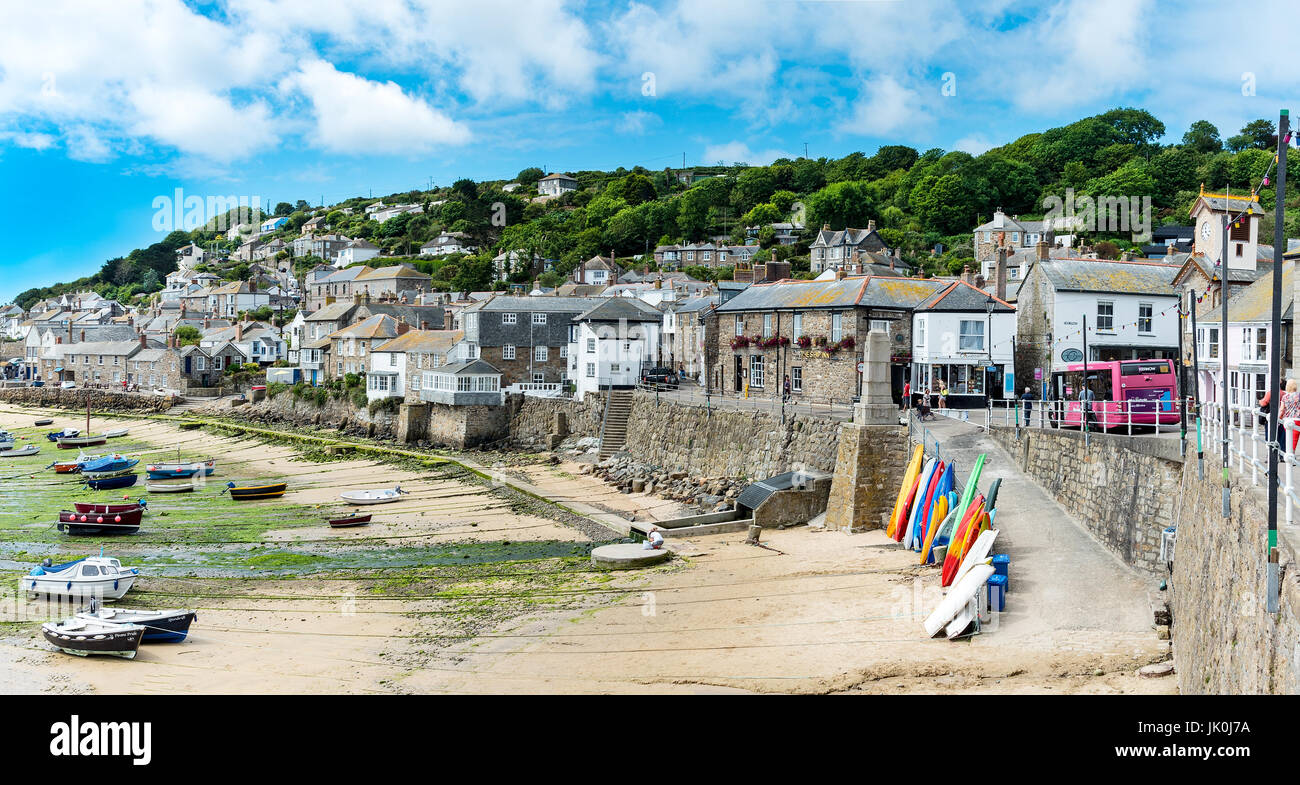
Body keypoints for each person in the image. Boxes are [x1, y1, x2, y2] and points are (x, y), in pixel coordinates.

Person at [1281, 379, 1300, 452]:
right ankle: (1291, 455)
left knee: (1289, 438)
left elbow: (1282, 409)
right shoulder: (1299, 395)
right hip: (1297, 419)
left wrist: (1279, 418)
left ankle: (1290, 455)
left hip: (1287, 420)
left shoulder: (1285, 397)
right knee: (1294, 440)